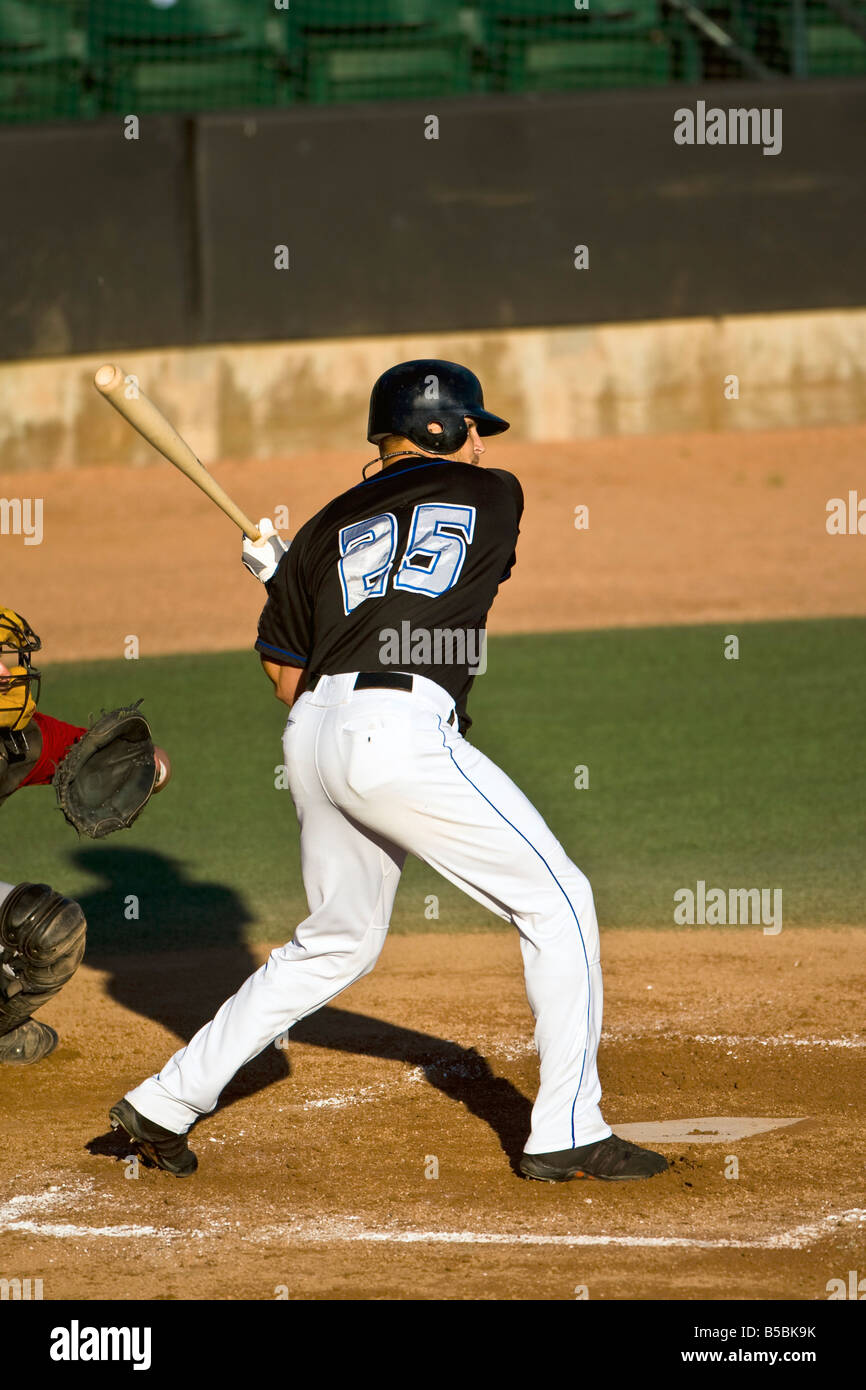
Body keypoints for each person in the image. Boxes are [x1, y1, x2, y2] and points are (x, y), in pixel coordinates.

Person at [109, 360, 668, 1185]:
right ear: (443, 429)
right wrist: (299, 572)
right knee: (558, 901)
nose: (482, 443)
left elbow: (288, 680)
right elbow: (427, 580)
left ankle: (165, 1102)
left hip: (314, 739)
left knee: (334, 942)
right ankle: (568, 1129)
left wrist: (287, 575)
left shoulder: (327, 530)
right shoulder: (497, 495)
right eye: (473, 426)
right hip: (398, 732)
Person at [0, 607, 170, 1064]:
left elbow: (90, 752)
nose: (5, 672)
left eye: (8, 658)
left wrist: (150, 765)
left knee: (49, 928)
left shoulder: (14, 740)